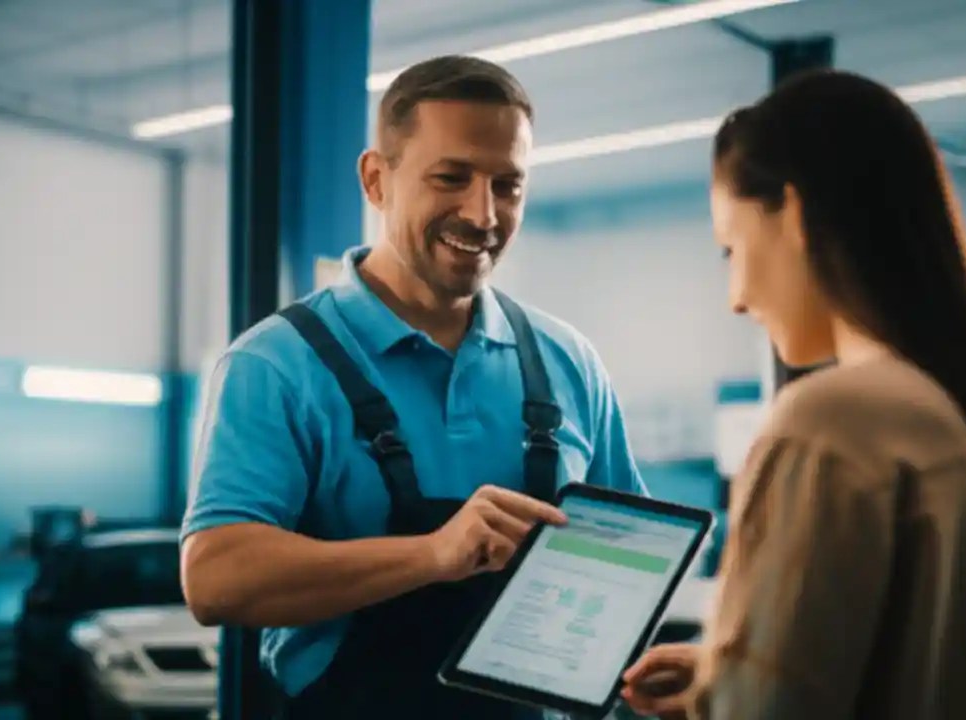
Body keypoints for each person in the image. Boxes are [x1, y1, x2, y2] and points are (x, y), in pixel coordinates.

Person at [180, 55, 646, 719]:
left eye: (508, 186)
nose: (483, 214)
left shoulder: (568, 362)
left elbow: (626, 556)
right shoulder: (276, 364)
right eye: (451, 178)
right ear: (377, 179)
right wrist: (431, 555)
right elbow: (215, 578)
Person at [620, 69, 966, 720]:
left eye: (732, 248)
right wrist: (726, 670)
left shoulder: (833, 420)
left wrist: (728, 698)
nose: (736, 298)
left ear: (796, 212)